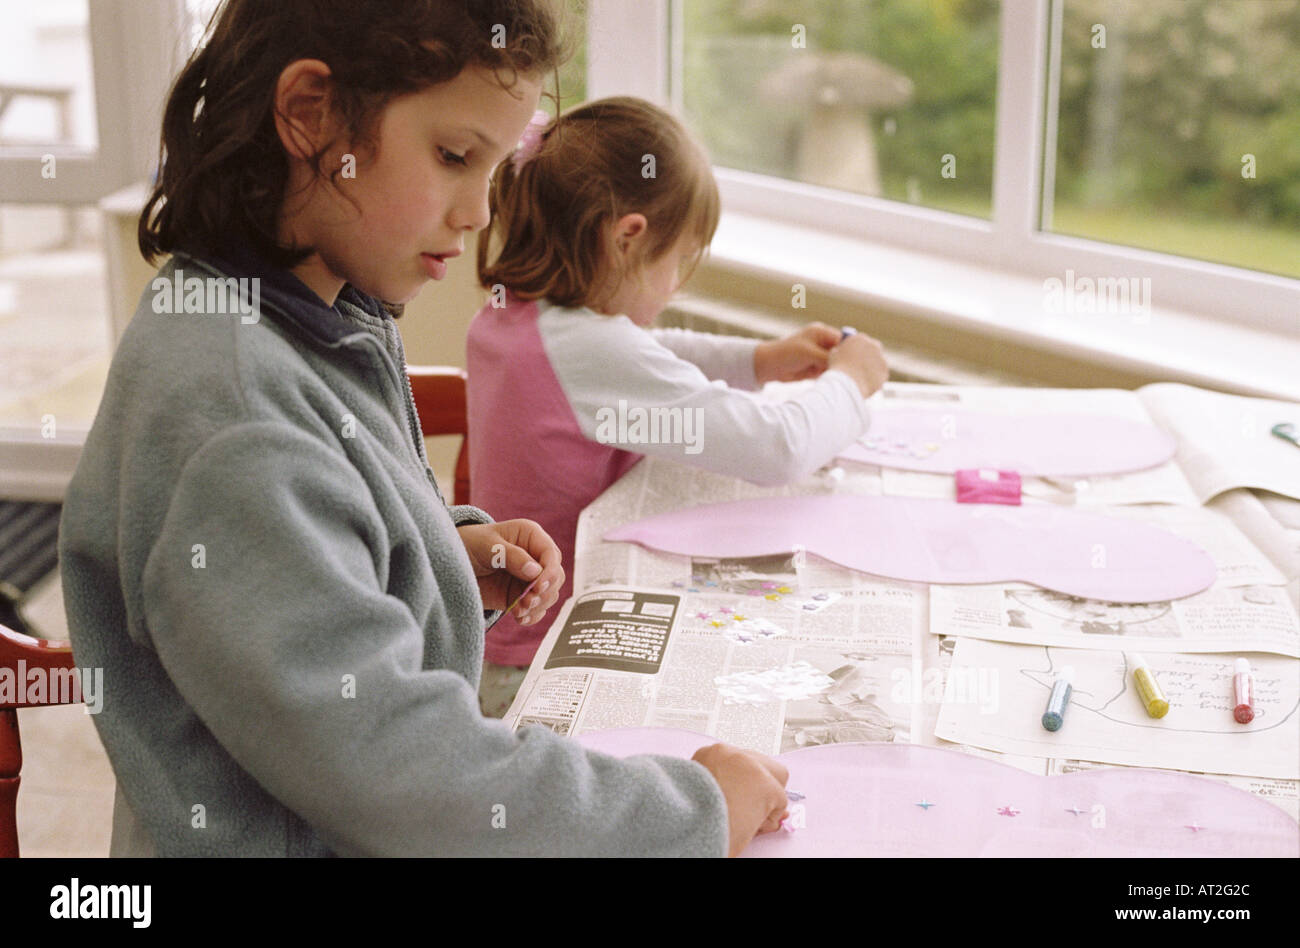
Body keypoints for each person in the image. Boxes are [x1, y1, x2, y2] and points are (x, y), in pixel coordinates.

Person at [58, 0, 787, 857]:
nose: (479, 212)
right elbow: (410, 776)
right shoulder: (233, 416)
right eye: (452, 157)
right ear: (309, 114)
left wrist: (439, 551)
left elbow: (310, 543)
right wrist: (695, 813)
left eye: (494, 166)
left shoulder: (306, 311)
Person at [468, 98, 889, 703]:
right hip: (543, 666)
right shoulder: (585, 349)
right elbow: (778, 448)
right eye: (681, 260)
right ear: (628, 239)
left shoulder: (519, 317)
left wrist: (757, 361)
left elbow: (638, 352)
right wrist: (850, 382)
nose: (679, 282)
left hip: (505, 649)